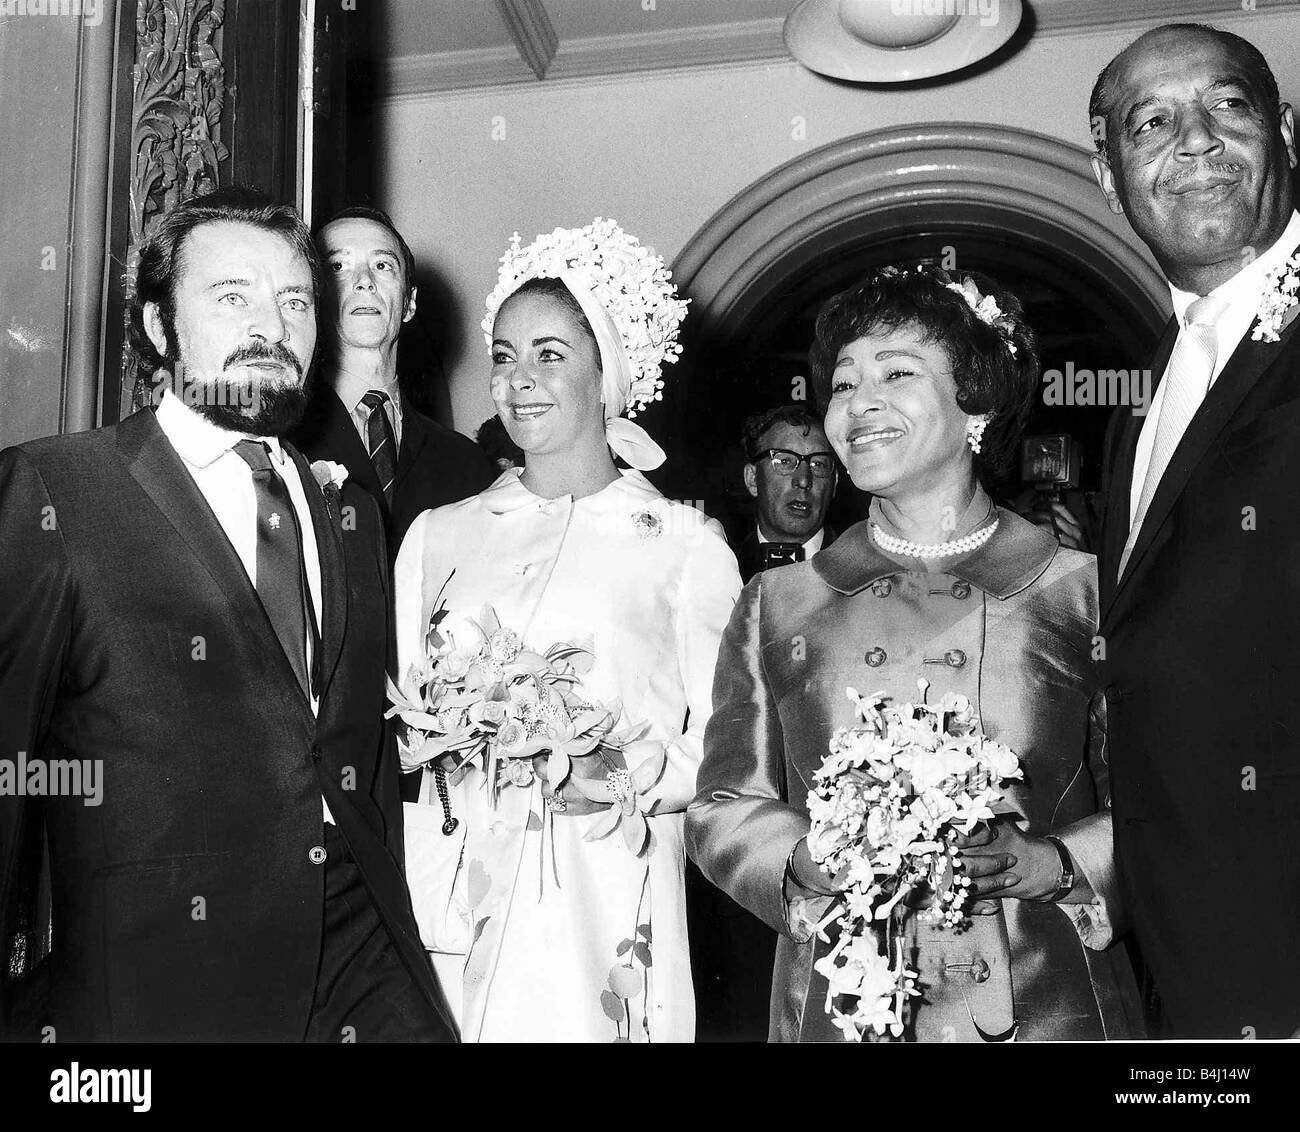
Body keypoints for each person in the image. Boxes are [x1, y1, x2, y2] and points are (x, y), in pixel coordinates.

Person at [0, 187, 455, 1042]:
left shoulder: (345, 507)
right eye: (231, 295)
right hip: (162, 976)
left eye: (293, 301)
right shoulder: (60, 489)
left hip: (364, 958)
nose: (271, 327)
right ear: (160, 328)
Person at [686, 264, 1142, 1042]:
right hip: (842, 1003)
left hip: (1049, 1000)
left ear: (978, 403)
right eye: (841, 384)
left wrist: (1056, 864)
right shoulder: (782, 602)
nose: (858, 403)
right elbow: (722, 805)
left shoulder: (1085, 593)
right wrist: (801, 859)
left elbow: (1166, 804)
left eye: (896, 374)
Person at [392, 219, 740, 1042]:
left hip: (600, 891)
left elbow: (730, 752)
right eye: (504, 357)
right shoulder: (438, 535)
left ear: (608, 370)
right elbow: (400, 728)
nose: (517, 381)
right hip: (448, 885)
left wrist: (618, 770)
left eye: (549, 355)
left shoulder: (685, 544)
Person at [1088, 22, 1300, 1038]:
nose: (1196, 143)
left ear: (1283, 132)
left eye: (1227, 106)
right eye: (1152, 123)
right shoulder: (1137, 420)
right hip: (1185, 973)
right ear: (1108, 173)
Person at [290, 205, 494, 560]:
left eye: (382, 266)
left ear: (410, 303)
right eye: (338, 266)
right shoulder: (282, 442)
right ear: (314, 296)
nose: (364, 280)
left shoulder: (467, 464)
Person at [733, 405, 839, 582]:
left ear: (834, 483)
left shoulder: (869, 572)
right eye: (785, 461)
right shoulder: (720, 569)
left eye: (818, 464)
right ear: (752, 479)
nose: (804, 481)